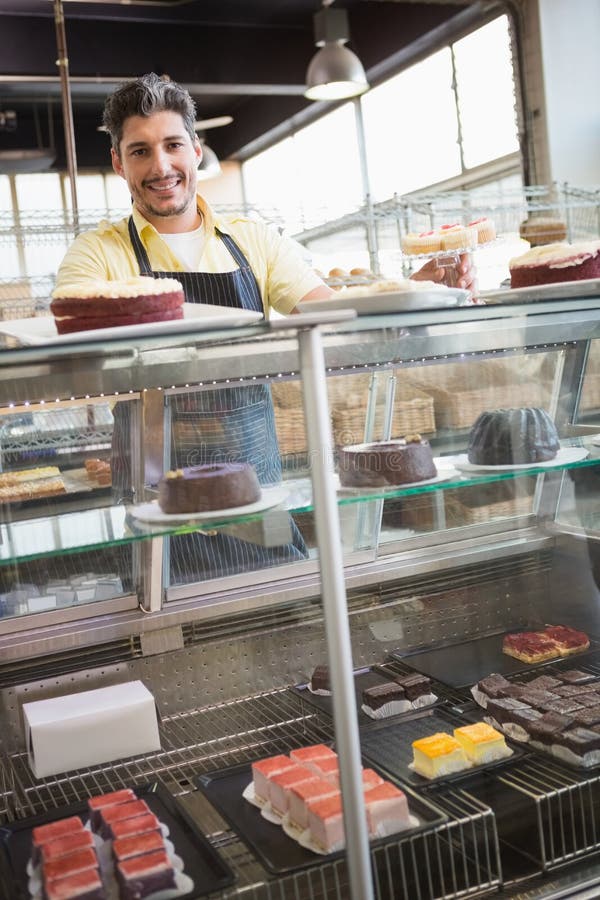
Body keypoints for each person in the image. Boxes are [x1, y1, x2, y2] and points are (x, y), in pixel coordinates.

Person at [56, 73, 476, 582]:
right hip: (157, 502)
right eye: (141, 151)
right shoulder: (96, 253)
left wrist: (414, 291)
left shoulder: (254, 241)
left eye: (172, 145)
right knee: (167, 624)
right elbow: (74, 351)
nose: (161, 166)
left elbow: (336, 322)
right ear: (120, 163)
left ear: (196, 148)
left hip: (258, 491)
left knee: (277, 617)